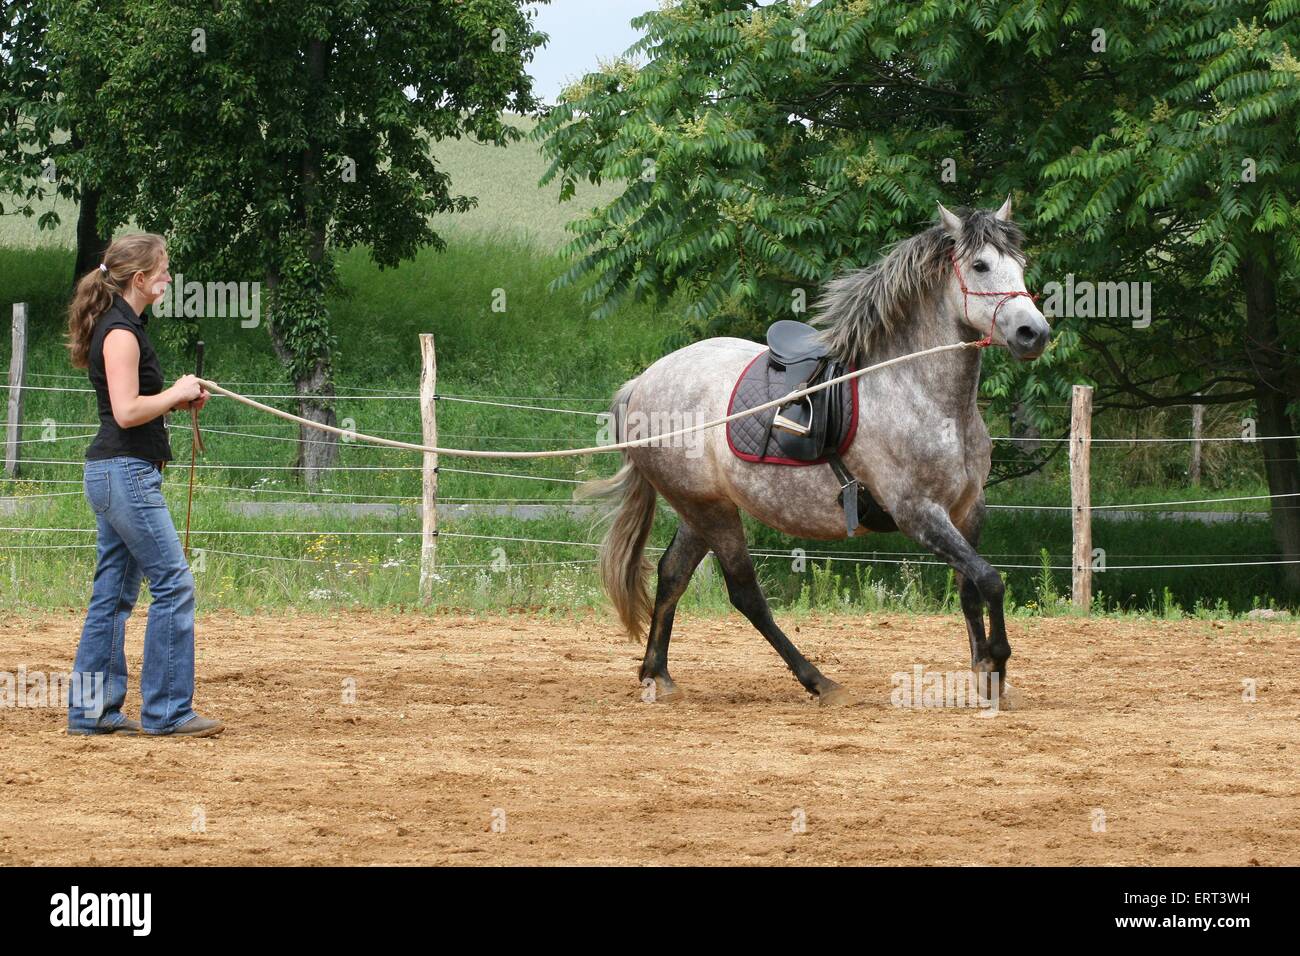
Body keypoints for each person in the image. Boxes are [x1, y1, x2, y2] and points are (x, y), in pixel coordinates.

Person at [63, 232, 223, 737]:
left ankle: (92, 713)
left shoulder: (123, 327)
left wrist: (176, 398)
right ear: (140, 279)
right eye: (163, 271)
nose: (169, 278)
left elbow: (132, 404)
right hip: (126, 472)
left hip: (117, 473)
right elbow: (128, 411)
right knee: (174, 584)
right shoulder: (121, 334)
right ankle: (168, 711)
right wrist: (174, 390)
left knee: (111, 595)